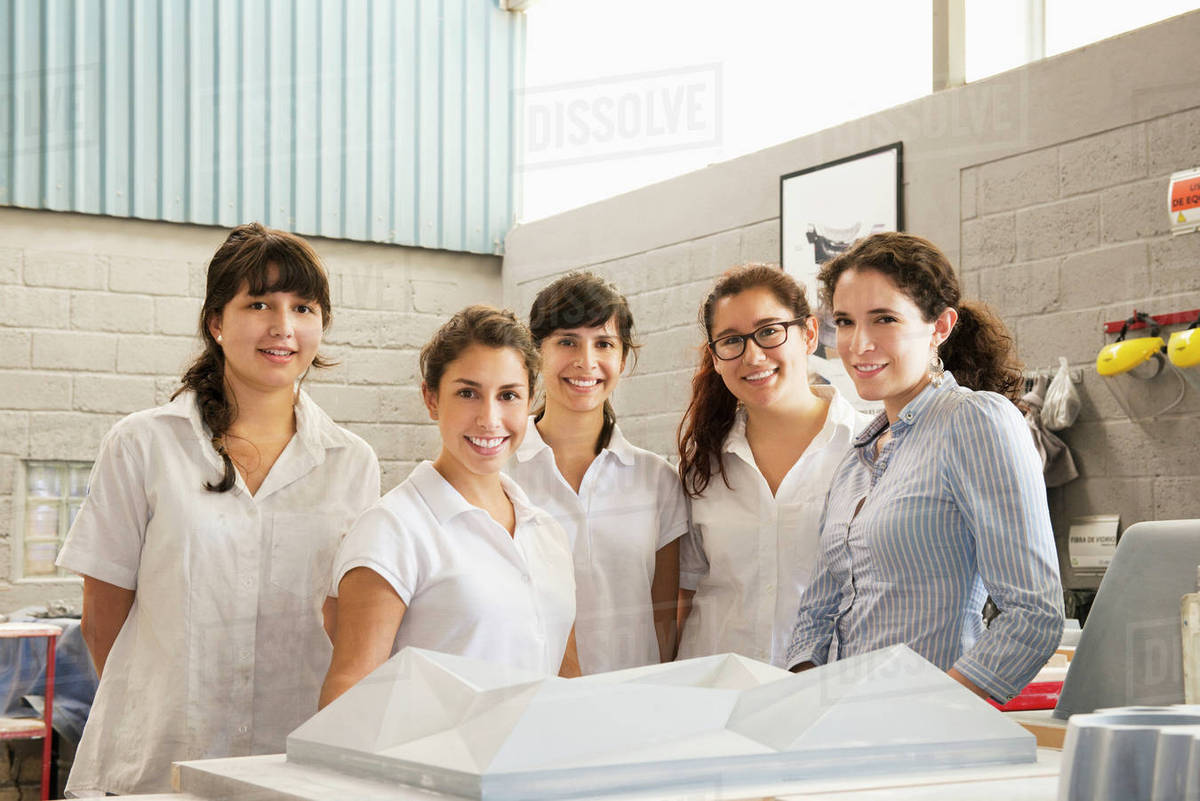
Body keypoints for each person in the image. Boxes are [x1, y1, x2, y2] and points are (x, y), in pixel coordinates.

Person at [55, 223, 380, 796]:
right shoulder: (142, 445)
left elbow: (345, 626)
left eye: (303, 307)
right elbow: (101, 618)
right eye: (258, 303)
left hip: (291, 765)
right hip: (156, 765)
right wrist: (158, 712)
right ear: (216, 322)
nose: (283, 326)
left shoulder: (351, 463)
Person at [785, 232, 1064, 703]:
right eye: (846, 322)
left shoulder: (975, 421)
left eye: (885, 319)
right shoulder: (857, 458)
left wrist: (931, 713)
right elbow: (818, 610)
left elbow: (1033, 613)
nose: (858, 343)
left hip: (928, 733)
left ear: (940, 326)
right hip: (846, 728)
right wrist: (805, 706)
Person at [319, 305, 579, 707]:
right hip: (433, 767)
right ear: (431, 399)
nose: (490, 419)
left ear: (530, 401)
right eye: (468, 393)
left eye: (509, 395)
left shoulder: (547, 532)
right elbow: (348, 696)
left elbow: (566, 679)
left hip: (532, 764)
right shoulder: (392, 529)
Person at [675, 265, 870, 667]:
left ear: (809, 335)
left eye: (769, 331)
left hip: (827, 693)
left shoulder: (870, 449)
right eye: (731, 341)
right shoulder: (703, 465)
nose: (753, 355)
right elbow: (686, 594)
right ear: (715, 357)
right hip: (716, 693)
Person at [507, 272, 688, 673]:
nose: (586, 361)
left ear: (623, 358)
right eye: (567, 342)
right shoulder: (500, 472)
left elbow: (665, 616)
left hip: (633, 706)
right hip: (528, 706)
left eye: (603, 344)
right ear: (536, 354)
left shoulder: (657, 480)